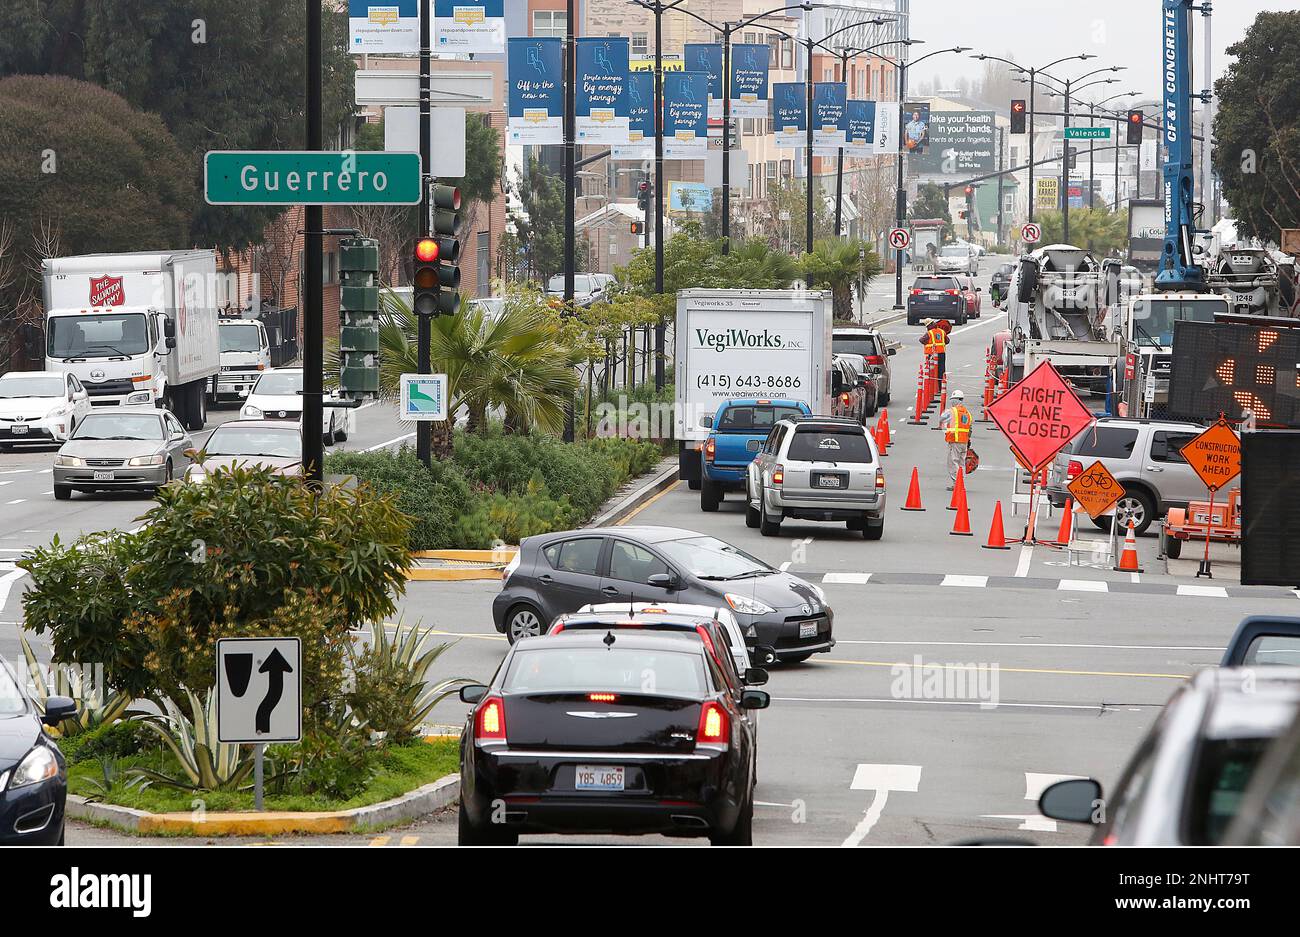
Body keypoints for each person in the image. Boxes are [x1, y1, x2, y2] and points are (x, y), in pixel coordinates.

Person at [940, 389, 973, 489]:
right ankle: (961, 482)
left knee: (953, 462)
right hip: (964, 441)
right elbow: (970, 428)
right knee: (961, 463)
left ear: (955, 400)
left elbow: (942, 418)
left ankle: (956, 484)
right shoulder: (967, 413)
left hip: (955, 440)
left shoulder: (952, 411)